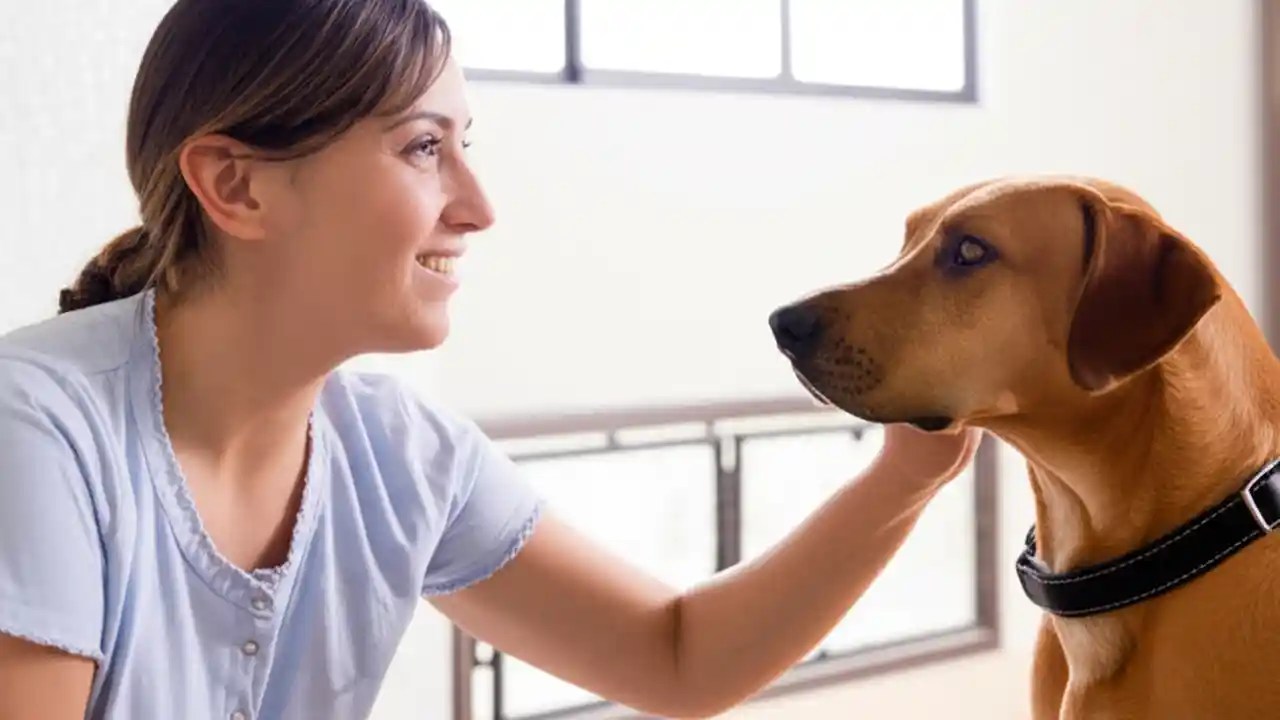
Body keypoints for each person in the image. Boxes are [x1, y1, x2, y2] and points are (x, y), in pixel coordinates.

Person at [0, 2, 982, 718]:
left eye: (463, 143)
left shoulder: (395, 453)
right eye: (423, 148)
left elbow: (678, 659)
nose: (477, 206)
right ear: (236, 186)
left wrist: (906, 472)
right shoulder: (36, 432)